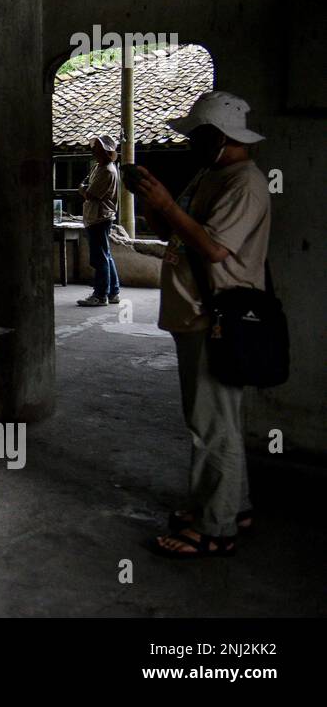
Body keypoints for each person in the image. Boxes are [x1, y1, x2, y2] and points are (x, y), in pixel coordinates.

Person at [127, 91, 270, 559]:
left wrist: (168, 205)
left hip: (217, 317)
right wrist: (152, 201)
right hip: (194, 313)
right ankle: (233, 507)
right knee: (215, 419)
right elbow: (175, 231)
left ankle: (215, 528)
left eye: (199, 135)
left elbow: (212, 248)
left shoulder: (246, 183)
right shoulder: (212, 174)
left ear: (220, 136)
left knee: (212, 425)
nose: (191, 143)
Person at [76, 135, 121, 306]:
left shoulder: (107, 171)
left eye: (98, 149)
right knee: (105, 255)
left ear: (107, 153)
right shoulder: (98, 167)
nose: (94, 151)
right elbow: (87, 185)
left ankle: (101, 295)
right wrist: (84, 187)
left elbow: (90, 193)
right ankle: (113, 292)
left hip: (99, 218)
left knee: (100, 258)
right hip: (96, 217)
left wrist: (82, 189)